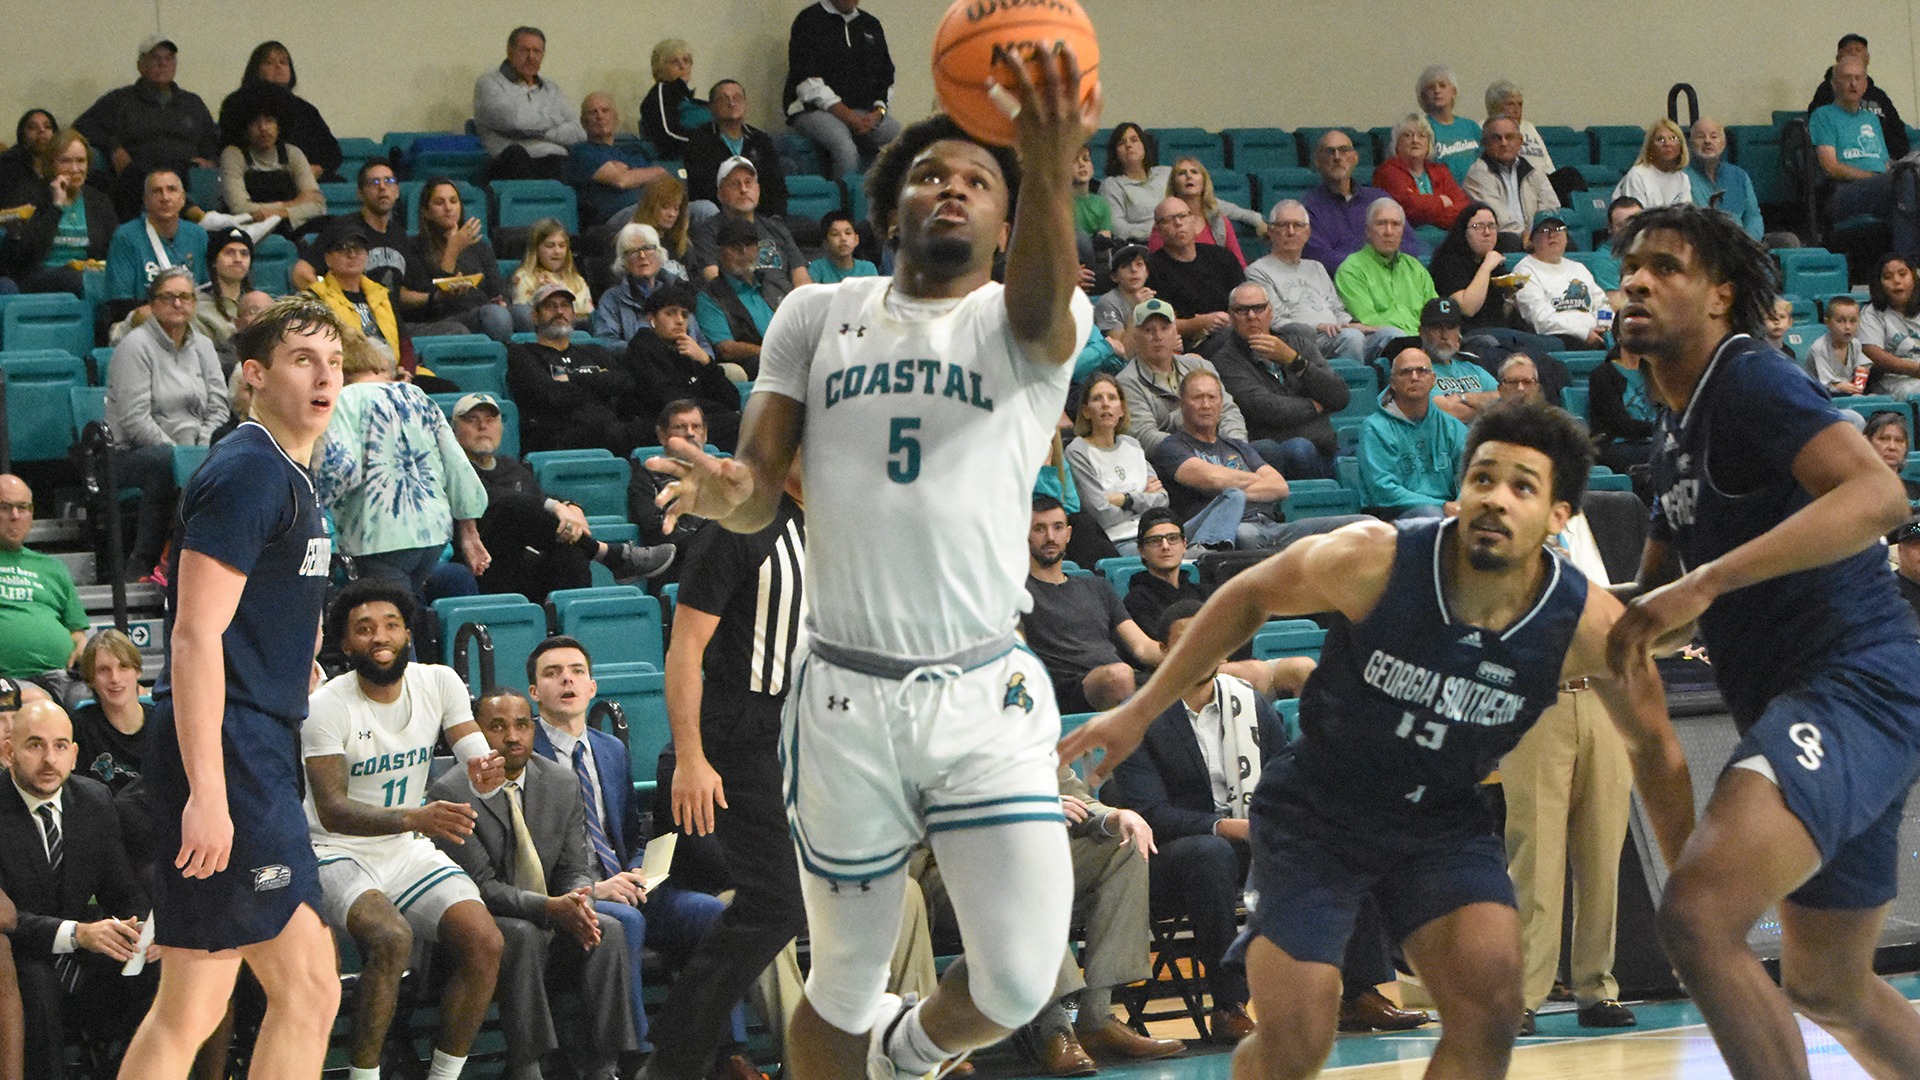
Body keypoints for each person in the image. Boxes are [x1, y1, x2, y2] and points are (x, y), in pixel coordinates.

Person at [644, 47, 1101, 1076]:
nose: (953, 188)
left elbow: (1042, 305)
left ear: (1008, 223)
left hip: (983, 692)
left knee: (1018, 981)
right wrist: (728, 495)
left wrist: (1044, 160)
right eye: (932, 175)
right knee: (842, 983)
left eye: (978, 180)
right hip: (846, 699)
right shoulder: (816, 315)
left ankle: (910, 1049)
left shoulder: (1028, 322)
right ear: (893, 206)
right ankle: (869, 1040)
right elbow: (759, 481)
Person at [1063, 399, 1691, 1080]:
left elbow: (1657, 751)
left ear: (1558, 516)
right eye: (1483, 478)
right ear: (1459, 490)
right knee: (1298, 1038)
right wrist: (1140, 710)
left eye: (1522, 486)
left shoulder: (1587, 624)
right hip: (1320, 812)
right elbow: (1250, 594)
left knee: (1491, 1009)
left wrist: (1688, 883)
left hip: (1440, 822)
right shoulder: (1379, 558)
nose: (1494, 499)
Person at [1604, 202, 1920, 1079]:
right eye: (1630, 270)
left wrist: (1706, 581)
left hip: (1853, 687)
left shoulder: (1748, 376)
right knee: (1828, 986)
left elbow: (1878, 497)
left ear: (1719, 295)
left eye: (1666, 267)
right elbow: (1650, 610)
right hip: (1825, 704)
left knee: (1698, 919)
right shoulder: (1671, 428)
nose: (1637, 282)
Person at [117, 298, 349, 1080]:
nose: (324, 377)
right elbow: (192, 635)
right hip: (231, 746)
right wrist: (209, 792)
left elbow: (257, 612)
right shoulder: (250, 470)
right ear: (254, 375)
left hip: (252, 735)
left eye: (334, 362)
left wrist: (294, 657)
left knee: (191, 1004)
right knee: (310, 989)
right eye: (302, 360)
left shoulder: (288, 475)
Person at [303, 579, 506, 1080]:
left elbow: (473, 753)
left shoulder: (439, 681)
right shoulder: (327, 705)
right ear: (345, 644)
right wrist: (416, 817)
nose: (380, 636)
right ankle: (363, 1075)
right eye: (365, 628)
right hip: (335, 849)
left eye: (391, 625)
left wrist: (485, 772)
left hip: (403, 846)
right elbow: (332, 810)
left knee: (485, 941)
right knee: (391, 938)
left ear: (408, 633)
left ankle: (444, 1076)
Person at [649, 471, 806, 1080]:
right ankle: (675, 1057)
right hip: (742, 727)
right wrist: (691, 756)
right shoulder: (737, 529)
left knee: (834, 899)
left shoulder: (843, 526)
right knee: (777, 901)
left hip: (813, 728)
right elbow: (685, 648)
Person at [525, 637, 742, 1068]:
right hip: (568, 897)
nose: (567, 680)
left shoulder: (611, 749)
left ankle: (727, 1054)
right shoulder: (525, 756)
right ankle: (636, 1059)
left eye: (577, 672)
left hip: (626, 886)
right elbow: (527, 855)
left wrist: (640, 868)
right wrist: (596, 889)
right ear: (534, 692)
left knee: (709, 912)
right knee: (625, 922)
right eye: (552, 673)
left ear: (592, 687)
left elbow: (630, 834)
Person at [427, 689, 636, 1080]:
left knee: (607, 929)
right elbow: (483, 888)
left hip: (550, 911)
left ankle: (605, 1067)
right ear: (476, 734)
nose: (512, 737)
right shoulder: (451, 792)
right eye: (497, 727)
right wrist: (550, 907)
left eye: (522, 725)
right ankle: (528, 1066)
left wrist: (578, 899)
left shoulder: (561, 782)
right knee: (521, 936)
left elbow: (575, 867)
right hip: (486, 924)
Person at [1502, 506, 1640, 1036]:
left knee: (1603, 851)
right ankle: (1523, 995)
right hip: (1538, 702)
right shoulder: (1507, 531)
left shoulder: (1590, 523)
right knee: (1536, 852)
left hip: (1604, 696)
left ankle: (1596, 988)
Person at [0, 700, 155, 1080]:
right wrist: (77, 934)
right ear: (8, 751)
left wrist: (142, 931)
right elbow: (7, 919)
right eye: (35, 745)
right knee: (36, 983)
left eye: (59, 746)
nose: (49, 760)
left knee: (157, 968)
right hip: (18, 953)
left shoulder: (94, 800)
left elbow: (121, 891)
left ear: (74, 754)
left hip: (82, 948)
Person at [451, 391, 673, 602]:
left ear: (501, 427)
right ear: (453, 430)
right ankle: (607, 553)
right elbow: (497, 499)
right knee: (518, 507)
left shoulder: (511, 466)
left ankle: (576, 620)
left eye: (490, 420)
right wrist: (556, 506)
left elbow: (538, 498)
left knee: (570, 552)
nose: (483, 426)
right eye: (471, 420)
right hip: (481, 562)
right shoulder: (452, 469)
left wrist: (570, 505)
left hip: (522, 563)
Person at [313, 330, 489, 597]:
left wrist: (315, 504)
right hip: (433, 534)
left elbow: (341, 467)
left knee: (391, 615)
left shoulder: (344, 401)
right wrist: (469, 532)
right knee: (407, 610)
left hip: (378, 536)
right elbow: (457, 465)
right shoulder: (417, 396)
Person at [1150, 369, 1361, 551]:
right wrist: (1254, 482)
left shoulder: (1237, 446)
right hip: (1229, 531)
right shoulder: (1172, 447)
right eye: (1197, 398)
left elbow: (1279, 487)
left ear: (1221, 403)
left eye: (1212, 397)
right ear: (1182, 403)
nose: (1206, 405)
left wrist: (1229, 491)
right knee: (1245, 533)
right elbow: (1212, 479)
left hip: (1271, 526)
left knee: (1362, 524)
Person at [107, 266, 230, 578]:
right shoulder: (134, 346)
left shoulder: (203, 346)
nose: (178, 304)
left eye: (185, 297)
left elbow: (219, 406)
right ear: (153, 303)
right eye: (168, 297)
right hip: (131, 453)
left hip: (195, 445)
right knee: (164, 464)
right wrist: (181, 457)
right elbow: (135, 420)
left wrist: (203, 447)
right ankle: (142, 564)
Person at [1025, 497, 1163, 713]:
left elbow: (1142, 647)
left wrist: (1198, 660)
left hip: (1123, 679)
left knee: (1205, 675)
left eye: (1057, 527)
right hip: (1067, 690)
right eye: (1039, 529)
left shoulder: (1097, 587)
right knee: (1117, 677)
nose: (1050, 537)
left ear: (1068, 534)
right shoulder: (1018, 593)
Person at [73, 35, 220, 220]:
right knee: (142, 174)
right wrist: (114, 147)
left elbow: (212, 140)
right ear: (140, 65)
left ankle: (199, 215)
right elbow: (82, 127)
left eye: (169, 58)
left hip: (183, 171)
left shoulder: (192, 103)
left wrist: (211, 160)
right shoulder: (120, 100)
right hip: (138, 177)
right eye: (155, 58)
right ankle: (195, 214)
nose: (163, 64)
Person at [1208, 283, 1346, 477]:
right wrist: (1314, 406)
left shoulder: (1298, 344)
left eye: (1258, 308)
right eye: (1242, 310)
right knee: (1299, 449)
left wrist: (1294, 361)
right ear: (1231, 316)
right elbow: (1265, 408)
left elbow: (1339, 396)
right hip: (1276, 454)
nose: (1251, 316)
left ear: (1270, 311)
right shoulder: (1224, 361)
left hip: (1325, 448)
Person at [1425, 201, 1568, 381]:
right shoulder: (1447, 261)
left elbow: (1502, 315)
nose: (1487, 233)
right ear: (1464, 231)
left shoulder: (1496, 262)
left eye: (1492, 226)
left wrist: (1509, 297)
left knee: (1555, 346)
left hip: (1501, 332)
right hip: (1471, 334)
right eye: (1478, 227)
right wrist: (1486, 267)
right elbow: (1468, 308)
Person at [510, 283, 651, 454]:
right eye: (550, 306)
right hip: (559, 437)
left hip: (610, 432)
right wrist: (599, 381)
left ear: (573, 314)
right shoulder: (523, 353)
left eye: (565, 305)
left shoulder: (593, 351)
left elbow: (626, 383)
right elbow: (551, 396)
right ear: (534, 316)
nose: (559, 311)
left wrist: (574, 377)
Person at [1811, 55, 1919, 258]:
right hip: (1844, 192)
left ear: (1865, 84)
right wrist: (1873, 177)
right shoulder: (1823, 115)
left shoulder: (1872, 119)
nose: (1853, 83)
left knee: (1910, 179)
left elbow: (1884, 163)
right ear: (1834, 84)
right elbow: (1830, 167)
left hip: (1881, 188)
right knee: (1905, 180)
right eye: (1847, 78)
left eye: (1858, 78)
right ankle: (1905, 263)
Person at [782, 0, 899, 181]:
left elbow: (885, 77)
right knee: (844, 148)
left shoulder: (870, 24)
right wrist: (849, 117)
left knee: (899, 139)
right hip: (813, 110)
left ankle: (881, 195)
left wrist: (879, 112)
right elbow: (808, 82)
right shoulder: (809, 21)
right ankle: (845, 197)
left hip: (863, 111)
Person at [1115, 297, 1246, 457]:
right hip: (1171, 461)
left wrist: (1236, 448)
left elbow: (1228, 411)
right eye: (1148, 330)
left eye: (1165, 328)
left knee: (1267, 449)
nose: (1158, 336)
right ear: (1136, 336)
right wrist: (1199, 452)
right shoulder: (1127, 382)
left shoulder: (1200, 365)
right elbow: (1145, 437)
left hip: (1221, 450)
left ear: (1176, 331)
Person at [288, 161, 427, 307]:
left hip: (390, 317)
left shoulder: (398, 233)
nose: (382, 187)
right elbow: (300, 273)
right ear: (360, 194)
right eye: (374, 182)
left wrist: (434, 297)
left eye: (389, 181)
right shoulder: (343, 229)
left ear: (397, 191)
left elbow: (402, 291)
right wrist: (336, 305)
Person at [0, 476, 88, 706]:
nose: (15, 516)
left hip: (63, 675)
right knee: (40, 703)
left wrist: (81, 645)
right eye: (5, 507)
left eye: (23, 507)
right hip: (8, 680)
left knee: (95, 701)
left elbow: (77, 631)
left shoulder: (52, 567)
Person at [1245, 200, 1367, 363]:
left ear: (1307, 232)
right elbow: (1275, 320)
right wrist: (1318, 326)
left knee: (1389, 335)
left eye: (1298, 225)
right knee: (1352, 338)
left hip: (1338, 334)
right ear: (1271, 231)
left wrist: (1350, 324)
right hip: (1301, 340)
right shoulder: (1258, 271)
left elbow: (1337, 309)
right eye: (1283, 225)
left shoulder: (1316, 267)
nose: (1291, 232)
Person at [1357, 347, 1468, 519]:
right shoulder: (1375, 428)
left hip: (1448, 510)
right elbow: (1382, 491)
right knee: (1430, 515)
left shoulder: (1453, 427)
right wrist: (1442, 506)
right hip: (1394, 515)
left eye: (1422, 371)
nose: (1414, 377)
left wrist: (1461, 505)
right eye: (1406, 372)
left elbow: (1469, 476)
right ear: (1393, 382)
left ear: (1433, 380)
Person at [1066, 373, 1167, 555]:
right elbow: (1102, 515)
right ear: (1086, 411)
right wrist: (1143, 500)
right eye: (1097, 398)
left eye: (1112, 398)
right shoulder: (1078, 451)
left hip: (1159, 534)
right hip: (1120, 540)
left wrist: (1124, 499)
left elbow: (1162, 500)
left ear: (1121, 409)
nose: (1105, 404)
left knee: (1227, 498)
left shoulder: (1132, 444)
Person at [8, 129, 116, 296]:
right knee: (84, 280)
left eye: (81, 161)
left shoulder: (99, 201)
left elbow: (114, 247)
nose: (75, 169)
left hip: (88, 276)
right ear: (51, 165)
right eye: (65, 161)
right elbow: (26, 254)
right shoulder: (31, 197)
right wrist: (57, 207)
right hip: (40, 275)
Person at [473, 27, 586, 182]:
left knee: (581, 161)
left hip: (556, 161)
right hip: (511, 164)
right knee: (516, 154)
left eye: (536, 51)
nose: (531, 57)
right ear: (510, 51)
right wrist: (556, 120)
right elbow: (516, 122)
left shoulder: (552, 89)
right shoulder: (489, 83)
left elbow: (579, 131)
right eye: (524, 50)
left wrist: (537, 131)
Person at [217, 42, 341, 181]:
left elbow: (332, 152)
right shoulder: (237, 103)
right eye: (269, 63)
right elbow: (229, 146)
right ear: (255, 69)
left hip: (307, 176)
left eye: (283, 62)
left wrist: (318, 168)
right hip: (254, 175)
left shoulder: (305, 109)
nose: (278, 67)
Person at [1333, 198, 1437, 359]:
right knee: (1394, 335)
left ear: (1402, 230)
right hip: (1383, 346)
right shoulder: (1351, 269)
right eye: (1381, 224)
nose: (1388, 231)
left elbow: (1434, 312)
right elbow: (1369, 320)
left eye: (1395, 224)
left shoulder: (1415, 268)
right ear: (1368, 231)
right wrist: (1415, 339)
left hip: (1423, 343)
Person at [104, 167, 209, 324]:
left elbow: (206, 290)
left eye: (171, 190)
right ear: (145, 200)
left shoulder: (198, 235)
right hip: (142, 322)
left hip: (191, 320)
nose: (165, 197)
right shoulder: (126, 236)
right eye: (156, 191)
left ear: (183, 198)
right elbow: (120, 304)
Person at [414, 178, 512, 343]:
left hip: (483, 311)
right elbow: (435, 303)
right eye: (440, 202)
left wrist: (502, 302)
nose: (448, 208)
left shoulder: (479, 246)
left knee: (524, 313)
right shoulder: (415, 248)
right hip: (447, 320)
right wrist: (452, 249)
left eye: (453, 201)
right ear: (426, 211)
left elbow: (498, 290)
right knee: (496, 316)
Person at [1302, 130, 1418, 270]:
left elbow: (1409, 245)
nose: (1337, 157)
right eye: (1329, 151)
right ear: (1317, 161)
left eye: (1344, 150)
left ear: (1355, 158)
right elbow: (1321, 259)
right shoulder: (1309, 208)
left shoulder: (1378, 199)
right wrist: (1372, 266)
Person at [686, 156, 809, 284]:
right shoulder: (707, 232)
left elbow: (801, 276)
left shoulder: (775, 227)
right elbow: (713, 280)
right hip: (737, 296)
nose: (743, 190)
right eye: (735, 184)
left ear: (758, 190)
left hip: (785, 295)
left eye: (748, 182)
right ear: (720, 194)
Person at [696, 216, 793, 377]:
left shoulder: (773, 285)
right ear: (719, 252)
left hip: (792, 353)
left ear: (758, 250)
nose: (743, 252)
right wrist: (771, 352)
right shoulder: (710, 296)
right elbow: (726, 348)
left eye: (749, 245)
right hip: (755, 365)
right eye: (734, 246)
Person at [216, 89, 325, 232]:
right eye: (255, 123)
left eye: (269, 121)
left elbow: (317, 205)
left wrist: (280, 213)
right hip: (249, 229)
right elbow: (239, 208)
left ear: (279, 126)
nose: (263, 128)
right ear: (244, 129)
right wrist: (293, 204)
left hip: (289, 225)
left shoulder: (292, 153)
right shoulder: (233, 154)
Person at [683, 81, 789, 220]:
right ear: (711, 107)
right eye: (724, 99)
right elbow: (701, 188)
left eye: (737, 98)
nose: (732, 103)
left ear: (745, 104)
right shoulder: (699, 141)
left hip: (759, 216)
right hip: (719, 217)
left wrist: (773, 218)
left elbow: (776, 185)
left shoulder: (761, 140)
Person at [303, 219, 401, 369]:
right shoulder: (316, 298)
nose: (352, 254)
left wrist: (404, 371)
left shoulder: (382, 294)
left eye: (358, 248)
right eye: (343, 248)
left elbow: (405, 343)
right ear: (328, 259)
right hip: (351, 373)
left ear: (367, 255)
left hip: (394, 370)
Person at [1144, 197, 1240, 345]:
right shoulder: (1151, 268)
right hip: (1188, 344)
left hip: (1233, 330)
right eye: (1168, 220)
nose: (1178, 223)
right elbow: (1157, 324)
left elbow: (1244, 297)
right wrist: (1199, 323)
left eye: (1183, 216)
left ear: (1193, 220)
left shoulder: (1221, 256)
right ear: (1158, 229)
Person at [1514, 208, 1613, 349]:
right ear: (1533, 239)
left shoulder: (1578, 268)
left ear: (1566, 238)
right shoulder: (1524, 270)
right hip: (1558, 338)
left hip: (1597, 335)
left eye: (1558, 229)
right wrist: (1583, 333)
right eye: (1545, 230)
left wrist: (1605, 327)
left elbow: (1602, 303)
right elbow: (1540, 319)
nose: (1552, 235)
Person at [569, 93, 667, 227]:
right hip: (611, 220)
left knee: (697, 209)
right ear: (583, 122)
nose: (600, 116)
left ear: (616, 118)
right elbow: (621, 180)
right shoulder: (581, 151)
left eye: (605, 111)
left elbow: (662, 176)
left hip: (648, 209)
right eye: (593, 112)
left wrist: (640, 173)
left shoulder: (632, 150)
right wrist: (641, 175)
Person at [1807, 33, 1910, 161]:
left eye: (1858, 49)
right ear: (1838, 58)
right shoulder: (1826, 94)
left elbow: (1897, 132)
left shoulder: (1878, 97)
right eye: (1848, 50)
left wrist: (1894, 161)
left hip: (1886, 160)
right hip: (1846, 158)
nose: (1853, 52)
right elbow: (1818, 134)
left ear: (1867, 59)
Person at [70, 630, 147, 795]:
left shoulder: (162, 724)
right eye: (103, 670)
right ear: (90, 679)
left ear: (137, 671)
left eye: (124, 666)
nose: (115, 678)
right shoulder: (78, 727)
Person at [1463, 117, 1559, 249]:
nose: (1504, 143)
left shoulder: (1533, 170)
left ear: (1520, 141)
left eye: (1509, 137)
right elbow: (1498, 219)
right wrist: (1527, 238)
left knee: (1567, 243)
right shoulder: (1477, 173)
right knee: (1510, 241)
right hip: (1500, 237)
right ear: (1485, 143)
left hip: (1534, 235)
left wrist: (1539, 233)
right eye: (1496, 138)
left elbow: (1551, 206)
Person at [593, 223, 696, 345]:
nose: (642, 255)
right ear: (623, 261)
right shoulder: (612, 299)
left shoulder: (677, 293)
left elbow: (699, 341)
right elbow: (605, 342)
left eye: (648, 248)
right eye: (633, 251)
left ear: (659, 254)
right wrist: (644, 351)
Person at [1149, 156, 1262, 268]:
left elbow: (1239, 265)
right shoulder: (1164, 224)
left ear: (1204, 182)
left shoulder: (1220, 223)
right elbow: (1155, 266)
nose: (1189, 176)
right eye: (1182, 173)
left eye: (1194, 172)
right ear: (1174, 185)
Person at [1374, 114, 1468, 230]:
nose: (1415, 140)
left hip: (1447, 232)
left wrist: (1429, 213)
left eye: (1422, 136)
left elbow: (1463, 208)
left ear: (1429, 145)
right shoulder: (1388, 172)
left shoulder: (1440, 171)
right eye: (1407, 135)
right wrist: (1441, 201)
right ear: (1396, 144)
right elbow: (1409, 208)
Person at [1417, 298, 1501, 423]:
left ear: (1459, 333)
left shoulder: (1472, 367)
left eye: (1451, 327)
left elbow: (1506, 398)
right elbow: (1448, 413)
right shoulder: (1417, 372)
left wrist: (1465, 397)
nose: (1445, 335)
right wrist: (1489, 406)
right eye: (1437, 327)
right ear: (1422, 332)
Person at [1122, 509, 1203, 629]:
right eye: (1155, 540)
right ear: (1141, 550)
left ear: (1184, 545)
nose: (1165, 546)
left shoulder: (1202, 593)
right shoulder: (1136, 602)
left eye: (1173, 538)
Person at [1686, 118, 1764, 241]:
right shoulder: (1682, 177)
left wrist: (1748, 242)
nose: (1707, 141)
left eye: (1714, 137)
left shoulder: (1739, 176)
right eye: (1701, 137)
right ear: (1690, 144)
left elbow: (1753, 217)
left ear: (1723, 144)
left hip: (1741, 243)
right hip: (1703, 243)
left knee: (1787, 240)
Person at [510, 218, 594, 328]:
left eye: (562, 245)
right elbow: (524, 318)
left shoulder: (578, 281)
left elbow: (590, 318)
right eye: (550, 245)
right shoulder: (525, 279)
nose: (557, 251)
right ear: (536, 249)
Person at [1588, 341, 1657, 473]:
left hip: (1653, 440)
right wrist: (1658, 428)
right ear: (1619, 336)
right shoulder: (1603, 374)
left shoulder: (1654, 372)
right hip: (1616, 443)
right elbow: (1619, 424)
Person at [1860, 254, 1920, 400]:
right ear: (1879, 284)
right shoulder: (1871, 313)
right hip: (1894, 381)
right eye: (1888, 277)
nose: (1896, 281)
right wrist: (1916, 369)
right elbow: (1874, 355)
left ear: (1914, 278)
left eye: (1902, 274)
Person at [1100, 122, 1172, 243]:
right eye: (1121, 143)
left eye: (1134, 140)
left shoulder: (1167, 173)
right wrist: (1159, 231)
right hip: (1142, 245)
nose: (1128, 145)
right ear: (1115, 153)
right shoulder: (1111, 185)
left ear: (1144, 145)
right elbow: (1118, 228)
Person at [194, 227, 256, 360]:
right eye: (229, 253)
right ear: (214, 262)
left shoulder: (259, 302)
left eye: (244, 253)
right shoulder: (199, 308)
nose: (238, 259)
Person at [639, 39, 709, 157]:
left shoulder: (690, 99)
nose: (682, 66)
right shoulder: (661, 92)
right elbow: (667, 134)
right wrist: (709, 144)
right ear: (660, 68)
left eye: (686, 60)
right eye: (675, 61)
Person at [1416, 65, 1482, 181]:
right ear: (1423, 96)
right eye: (1431, 87)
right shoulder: (1421, 129)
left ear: (1453, 92)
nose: (1437, 91)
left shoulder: (1471, 126)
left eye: (1442, 85)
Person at [1611, 120, 1691, 209]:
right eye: (1661, 139)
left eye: (1673, 138)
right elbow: (1635, 215)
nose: (1667, 144)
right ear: (1650, 147)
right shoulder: (1637, 175)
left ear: (1681, 145)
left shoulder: (1683, 178)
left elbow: (1685, 214)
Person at [1092, 244, 1152, 356]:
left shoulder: (1152, 299)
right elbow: (1124, 353)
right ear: (1114, 276)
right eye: (1125, 266)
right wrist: (1136, 311)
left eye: (1139, 264)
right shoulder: (1107, 303)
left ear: (1147, 272)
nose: (1134, 270)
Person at [1484, 79, 1553, 174]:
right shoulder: (1484, 129)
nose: (1517, 110)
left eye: (1520, 104)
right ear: (1494, 107)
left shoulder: (1529, 127)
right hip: (1510, 177)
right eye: (1510, 104)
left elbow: (1549, 167)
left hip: (1541, 179)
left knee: (1568, 173)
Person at [1807, 294, 1867, 397]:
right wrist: (1840, 387)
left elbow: (1862, 369)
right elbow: (1827, 384)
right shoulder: (1819, 347)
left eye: (1853, 321)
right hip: (1819, 396)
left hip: (1847, 394)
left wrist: (1858, 388)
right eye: (1840, 321)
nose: (1848, 327)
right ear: (1827, 322)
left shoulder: (1856, 344)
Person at [807, 209, 878, 284]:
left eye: (848, 233)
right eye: (835, 234)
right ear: (825, 242)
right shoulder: (817, 269)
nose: (843, 238)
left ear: (856, 239)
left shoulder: (868, 269)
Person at [1864, 411, 1920, 502]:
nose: (1892, 447)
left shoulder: (1916, 491)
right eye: (1884, 439)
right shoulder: (1854, 491)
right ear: (1868, 442)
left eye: (1899, 440)